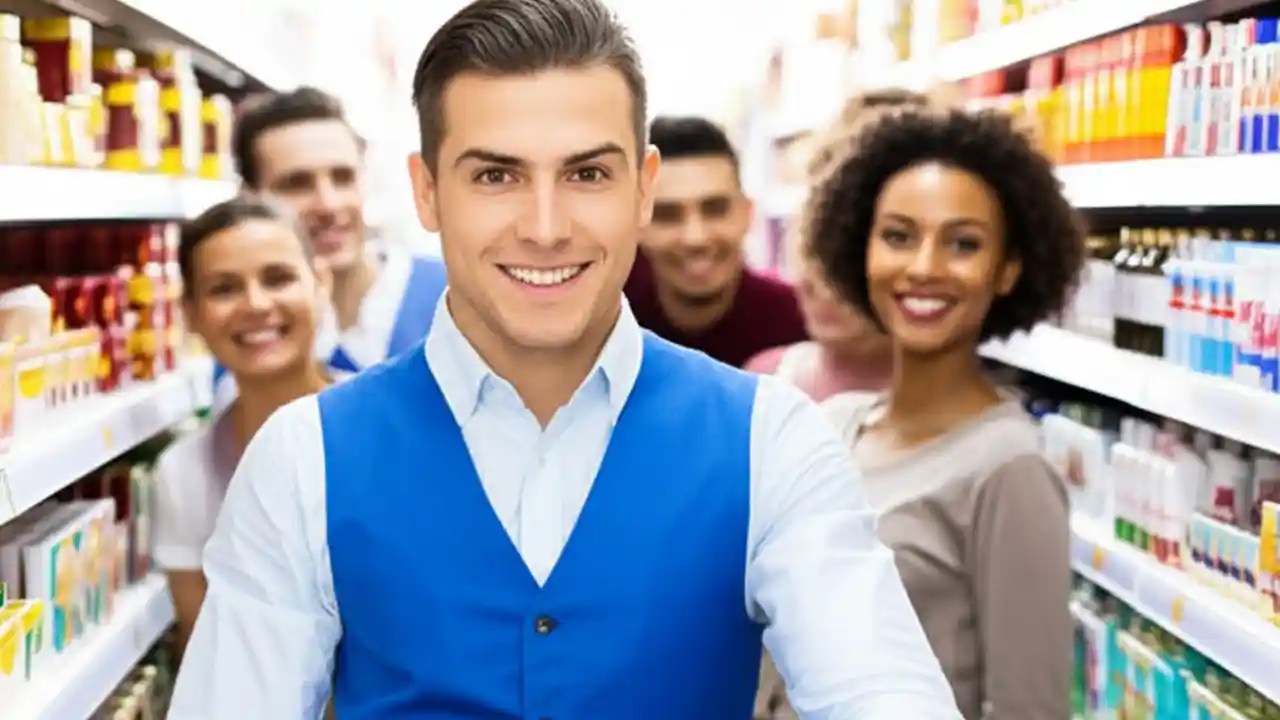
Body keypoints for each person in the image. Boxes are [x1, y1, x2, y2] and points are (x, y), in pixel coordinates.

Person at [167, 1, 962, 717]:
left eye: (586, 173)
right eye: (496, 175)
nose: (545, 228)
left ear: (641, 188)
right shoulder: (302, 460)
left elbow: (878, 687)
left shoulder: (772, 440)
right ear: (426, 192)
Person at [811, 107, 1083, 719]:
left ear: (1008, 269)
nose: (924, 267)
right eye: (899, 236)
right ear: (862, 248)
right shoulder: (834, 425)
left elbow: (1030, 710)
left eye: (963, 243)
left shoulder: (1009, 470)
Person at [152, 195, 340, 655]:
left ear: (320, 284)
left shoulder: (400, 433)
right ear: (191, 313)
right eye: (223, 288)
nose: (255, 304)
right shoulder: (185, 474)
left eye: (278, 278)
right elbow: (206, 657)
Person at [211, 87, 449, 406]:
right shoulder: (248, 340)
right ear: (249, 200)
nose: (328, 204)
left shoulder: (454, 299)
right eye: (297, 184)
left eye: (342, 177)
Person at [624, 115, 807, 368]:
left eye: (715, 209)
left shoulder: (799, 324)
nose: (695, 238)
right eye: (667, 215)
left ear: (748, 213)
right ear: (635, 225)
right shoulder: (600, 317)